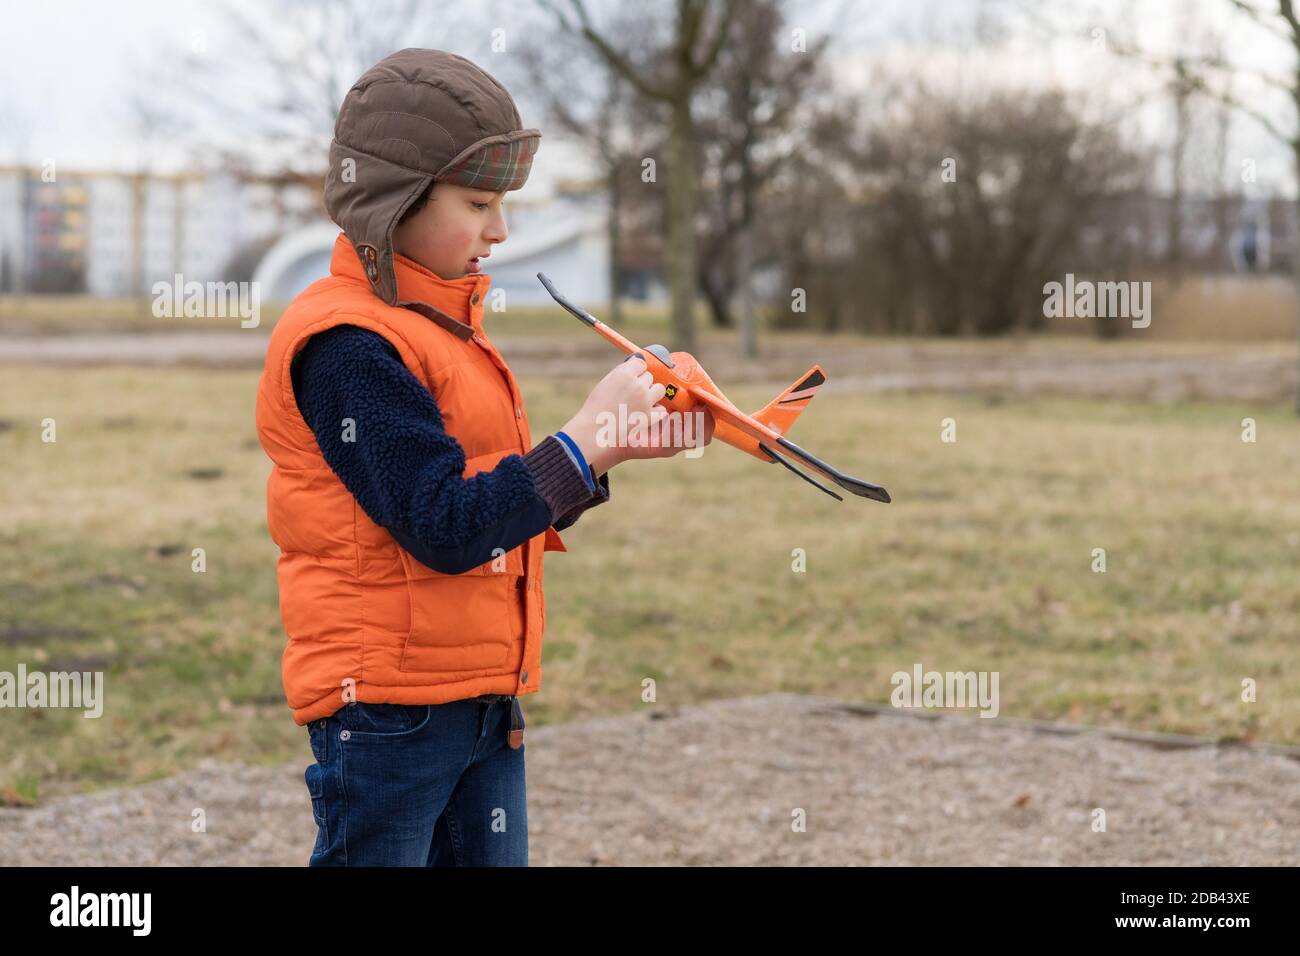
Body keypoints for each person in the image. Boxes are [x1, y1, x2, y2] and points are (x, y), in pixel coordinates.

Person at [253, 48, 712, 866]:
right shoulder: (349, 346)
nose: (499, 230)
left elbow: (487, 501)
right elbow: (444, 522)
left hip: (481, 696)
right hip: (389, 709)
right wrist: (577, 441)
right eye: (477, 203)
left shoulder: (444, 330)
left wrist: (605, 455)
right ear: (391, 202)